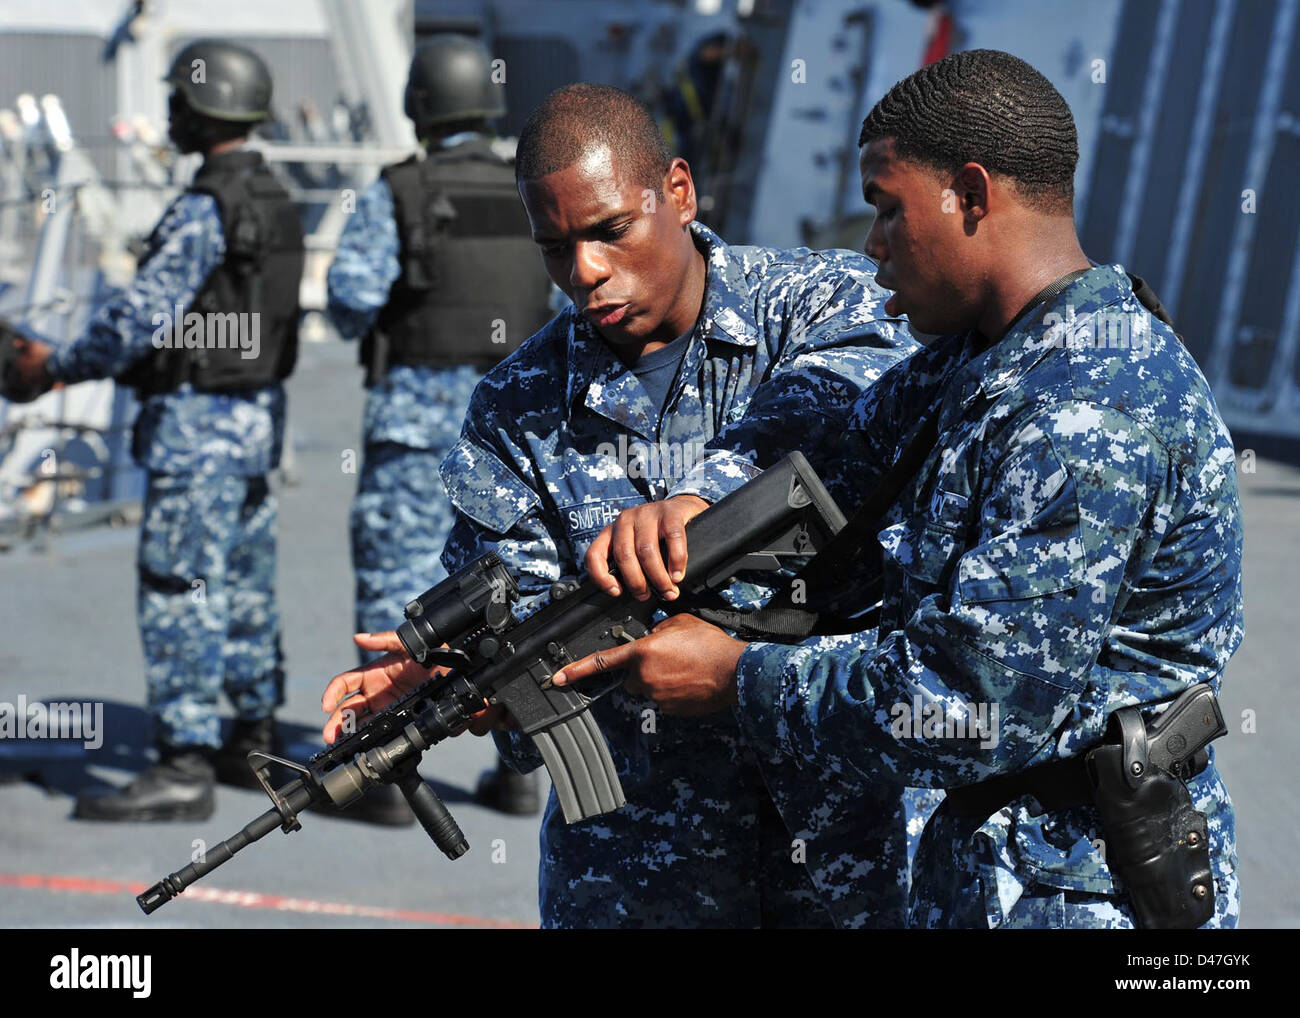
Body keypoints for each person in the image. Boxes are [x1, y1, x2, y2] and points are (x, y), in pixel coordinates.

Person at [553, 50, 1244, 929]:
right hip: (1000, 872)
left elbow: (974, 708)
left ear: (971, 193)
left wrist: (740, 680)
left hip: (1082, 887)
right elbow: (833, 481)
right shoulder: (980, 360)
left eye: (888, 209)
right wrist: (671, 538)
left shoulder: (1089, 405)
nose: (871, 244)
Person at [321, 83, 919, 928]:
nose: (587, 273)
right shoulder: (516, 406)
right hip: (637, 879)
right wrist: (470, 683)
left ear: (677, 190)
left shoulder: (819, 300)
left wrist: (701, 496)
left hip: (850, 856)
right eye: (555, 248)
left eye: (610, 231)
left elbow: (853, 408)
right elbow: (525, 661)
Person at [8, 41, 303, 820]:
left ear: (204, 113)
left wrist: (57, 365)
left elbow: (141, 319)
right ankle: (254, 740)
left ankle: (182, 764)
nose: (169, 114)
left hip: (195, 431)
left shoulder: (206, 205)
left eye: (178, 101)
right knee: (242, 585)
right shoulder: (273, 196)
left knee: (180, 586)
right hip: (254, 425)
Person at [326, 34, 553, 817]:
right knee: (510, 592)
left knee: (400, 591)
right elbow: (566, 306)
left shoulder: (400, 190)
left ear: (418, 104)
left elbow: (352, 299)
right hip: (516, 435)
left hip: (416, 430)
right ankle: (519, 769)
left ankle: (384, 776)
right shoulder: (532, 190)